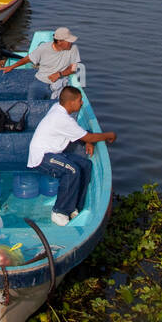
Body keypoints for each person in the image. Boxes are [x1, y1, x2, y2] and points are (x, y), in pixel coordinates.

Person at [27, 86, 116, 225]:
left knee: (86, 165)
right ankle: (59, 212)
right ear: (71, 103)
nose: (82, 103)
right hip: (42, 157)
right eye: (80, 100)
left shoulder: (58, 108)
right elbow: (90, 137)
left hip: (54, 153)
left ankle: (75, 207)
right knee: (72, 171)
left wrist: (87, 140)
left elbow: (83, 135)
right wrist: (109, 135)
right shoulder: (62, 119)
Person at [3, 27, 81, 100]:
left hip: (60, 84)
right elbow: (28, 58)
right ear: (59, 41)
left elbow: (73, 69)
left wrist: (59, 74)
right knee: (31, 103)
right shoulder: (44, 48)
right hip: (40, 82)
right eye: (68, 41)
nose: (71, 42)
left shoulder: (73, 49)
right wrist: (11, 67)